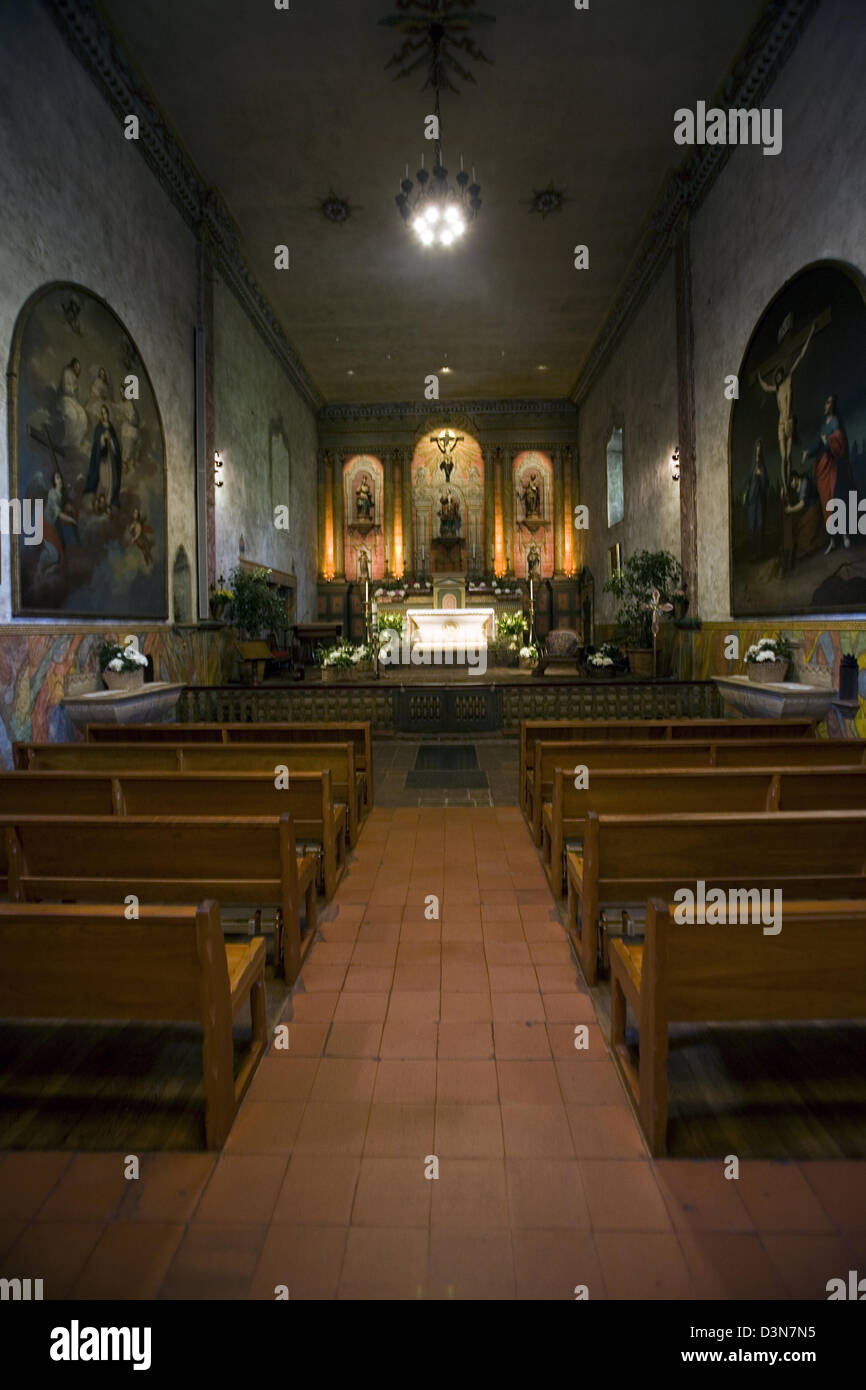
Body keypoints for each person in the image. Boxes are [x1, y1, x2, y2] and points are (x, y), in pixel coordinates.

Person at [757, 320, 815, 496]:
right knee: (783, 457)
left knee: (787, 457)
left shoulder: (789, 380)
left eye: (781, 374)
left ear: (783, 374)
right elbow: (766, 386)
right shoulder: (775, 389)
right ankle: (784, 485)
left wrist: (810, 334)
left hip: (789, 421)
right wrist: (759, 378)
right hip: (781, 423)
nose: (779, 377)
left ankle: (787, 482)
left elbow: (800, 357)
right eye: (777, 376)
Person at [802, 393, 854, 554]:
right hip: (824, 467)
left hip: (834, 465)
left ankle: (845, 535)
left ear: (833, 405)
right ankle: (832, 540)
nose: (826, 405)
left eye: (829, 402)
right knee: (826, 503)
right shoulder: (824, 426)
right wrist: (808, 453)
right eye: (826, 402)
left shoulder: (835, 422)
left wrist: (828, 442)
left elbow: (839, 440)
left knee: (838, 499)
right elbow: (818, 444)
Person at [38, 469, 79, 576]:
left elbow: (67, 503)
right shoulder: (52, 494)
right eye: (57, 478)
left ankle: (48, 572)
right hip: (47, 526)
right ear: (54, 481)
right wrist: (71, 520)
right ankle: (40, 568)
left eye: (60, 477)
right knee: (55, 555)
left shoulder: (62, 493)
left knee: (61, 554)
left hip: (55, 526)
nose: (60, 480)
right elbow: (59, 514)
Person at [84, 404, 122, 512]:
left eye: (105, 413)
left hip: (111, 459)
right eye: (102, 413)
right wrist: (102, 439)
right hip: (103, 459)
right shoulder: (99, 428)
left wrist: (110, 440)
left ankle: (109, 501)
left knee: (112, 479)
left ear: (108, 414)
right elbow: (97, 445)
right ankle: (103, 501)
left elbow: (116, 444)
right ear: (100, 415)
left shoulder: (111, 427)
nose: (104, 415)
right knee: (104, 480)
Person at [742, 440, 768, 554]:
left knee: (760, 524)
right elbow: (748, 482)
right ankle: (753, 551)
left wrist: (761, 474)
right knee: (752, 526)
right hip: (752, 500)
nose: (758, 453)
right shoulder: (752, 466)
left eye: (759, 450)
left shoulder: (763, 467)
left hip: (760, 500)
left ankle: (759, 551)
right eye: (757, 449)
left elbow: (766, 482)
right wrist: (745, 494)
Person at [56, 358, 88, 449]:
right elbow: (65, 388)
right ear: (73, 365)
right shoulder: (67, 372)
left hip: (73, 400)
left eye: (79, 368)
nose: (78, 369)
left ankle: (76, 441)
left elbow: (77, 394)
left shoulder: (75, 378)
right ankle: (67, 440)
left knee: (83, 417)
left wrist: (77, 391)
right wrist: (73, 389)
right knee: (73, 416)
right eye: (77, 366)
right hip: (65, 398)